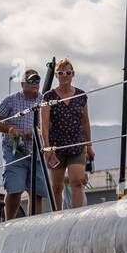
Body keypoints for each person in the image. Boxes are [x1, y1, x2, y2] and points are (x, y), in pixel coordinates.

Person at [0, 69, 50, 219]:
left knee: (36, 193)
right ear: (22, 83)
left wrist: (37, 133)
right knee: (14, 190)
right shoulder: (11, 100)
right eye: (31, 80)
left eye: (37, 80)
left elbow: (50, 125)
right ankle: (8, 222)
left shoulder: (43, 101)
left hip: (36, 151)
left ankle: (33, 224)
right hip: (15, 152)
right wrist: (10, 130)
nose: (35, 84)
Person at [40, 58, 94, 209]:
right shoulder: (48, 97)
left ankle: (75, 216)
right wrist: (47, 147)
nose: (65, 75)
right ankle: (57, 217)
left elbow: (85, 122)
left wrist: (89, 145)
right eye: (61, 72)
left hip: (77, 145)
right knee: (57, 187)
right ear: (56, 76)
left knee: (77, 181)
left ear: (73, 74)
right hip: (56, 147)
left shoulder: (81, 95)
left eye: (68, 72)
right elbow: (43, 123)